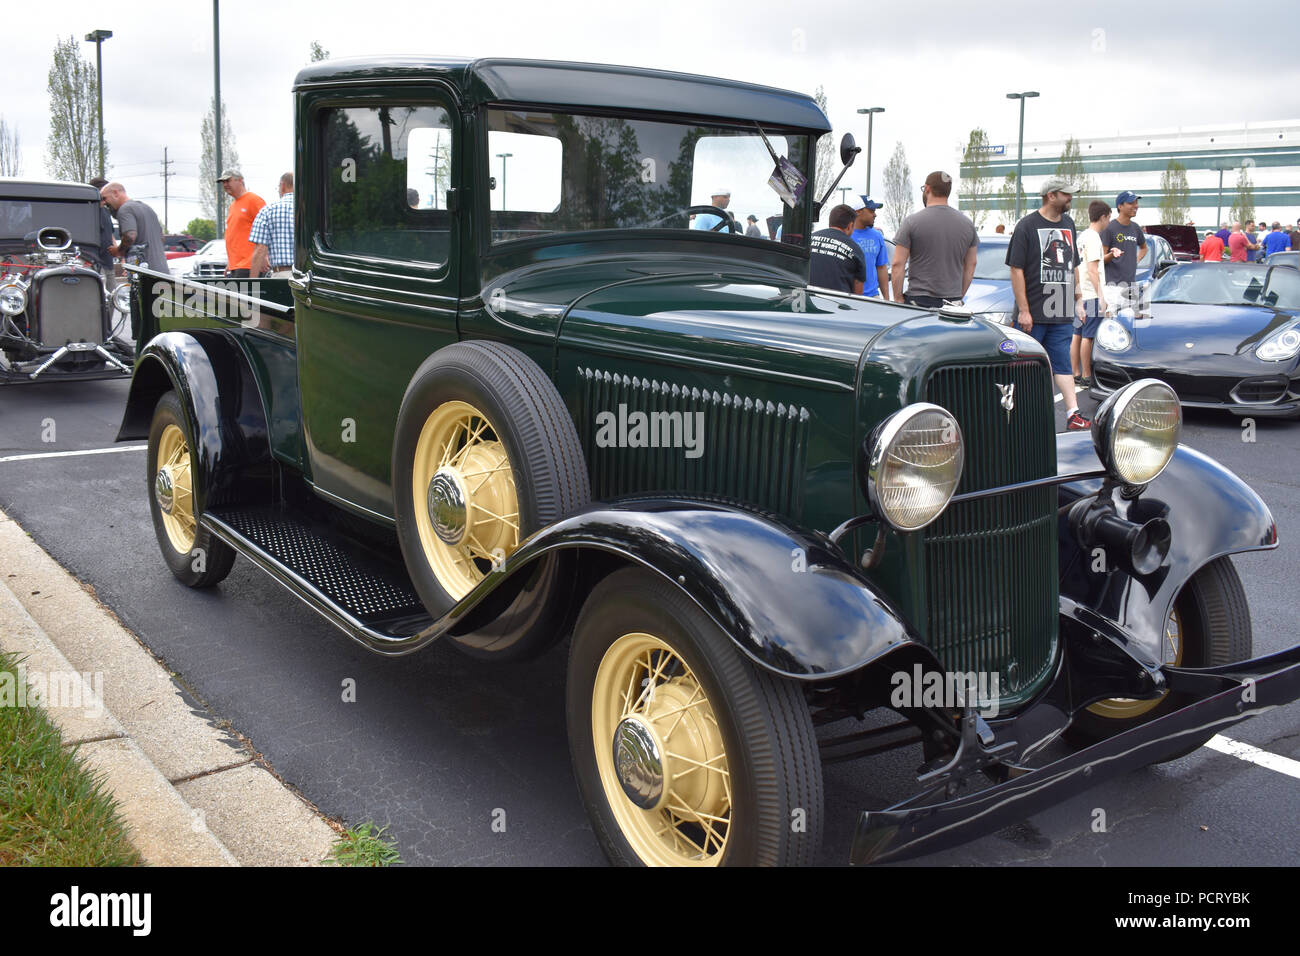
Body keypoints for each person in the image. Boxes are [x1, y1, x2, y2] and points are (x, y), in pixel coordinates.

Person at [1006, 178, 1090, 431]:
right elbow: (1016, 269)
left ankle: (1073, 414)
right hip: (1033, 314)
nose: (1070, 199)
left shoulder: (1069, 224)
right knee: (1022, 367)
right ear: (1051, 196)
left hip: (1061, 311)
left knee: (1062, 363)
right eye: (1067, 195)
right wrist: (1023, 310)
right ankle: (1012, 416)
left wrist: (1078, 300)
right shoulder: (1027, 226)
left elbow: (1073, 266)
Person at [890, 170, 979, 307]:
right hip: (952, 300)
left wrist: (897, 298)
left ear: (927, 189)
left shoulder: (912, 222)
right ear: (948, 191)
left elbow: (897, 264)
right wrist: (958, 295)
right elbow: (971, 264)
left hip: (918, 300)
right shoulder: (967, 224)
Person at [1071, 200, 1110, 389]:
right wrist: (1101, 295)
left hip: (1081, 292)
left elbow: (1077, 267)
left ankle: (1076, 373)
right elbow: (1093, 269)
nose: (1108, 222)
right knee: (1088, 335)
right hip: (1091, 293)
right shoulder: (1094, 238)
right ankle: (1087, 375)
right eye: (1108, 218)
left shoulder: (1081, 236)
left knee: (1077, 334)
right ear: (1103, 217)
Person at [98, 182, 167, 274]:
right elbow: (161, 238)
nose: (103, 203)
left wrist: (118, 251)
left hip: (145, 274)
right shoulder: (147, 208)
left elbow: (130, 236)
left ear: (115, 193)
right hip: (162, 272)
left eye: (104, 198)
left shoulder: (125, 209)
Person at [1101, 190, 1146, 311]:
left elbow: (1144, 248)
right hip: (1113, 288)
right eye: (1131, 203)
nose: (1136, 206)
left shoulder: (1136, 228)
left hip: (1132, 286)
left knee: (1131, 326)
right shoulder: (1109, 228)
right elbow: (1100, 259)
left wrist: (1135, 260)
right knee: (1111, 324)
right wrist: (1112, 255)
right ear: (1120, 206)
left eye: (1136, 202)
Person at [216, 169, 266, 277]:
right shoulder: (232, 206)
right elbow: (236, 235)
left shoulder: (254, 200)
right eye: (223, 182)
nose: (225, 185)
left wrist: (264, 258)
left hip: (249, 266)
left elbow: (268, 229)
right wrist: (230, 263)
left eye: (228, 181)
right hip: (236, 266)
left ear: (240, 180)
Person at [808, 204, 866, 294]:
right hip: (836, 305)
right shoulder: (855, 249)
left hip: (807, 300)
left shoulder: (809, 239)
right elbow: (858, 294)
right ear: (850, 226)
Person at [249, 172, 295, 277]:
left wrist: (252, 283)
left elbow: (260, 249)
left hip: (282, 274)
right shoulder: (312, 210)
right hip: (310, 277)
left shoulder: (268, 211)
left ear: (282, 186)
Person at [848, 195, 890, 299]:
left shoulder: (877, 236)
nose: (875, 215)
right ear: (858, 211)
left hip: (873, 297)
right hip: (847, 297)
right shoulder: (846, 234)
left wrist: (887, 299)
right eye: (871, 211)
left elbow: (881, 268)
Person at [86, 176, 117, 275]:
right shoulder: (87, 211)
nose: (105, 201)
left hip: (108, 263)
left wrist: (119, 253)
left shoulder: (106, 211)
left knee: (112, 290)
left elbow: (110, 234)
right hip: (93, 263)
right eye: (102, 197)